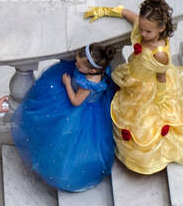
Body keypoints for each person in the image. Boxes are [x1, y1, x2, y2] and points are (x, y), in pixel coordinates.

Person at [85, 0, 183, 174]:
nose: (142, 34)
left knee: (144, 124)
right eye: (141, 29)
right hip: (135, 77)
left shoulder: (159, 54)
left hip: (149, 87)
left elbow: (162, 77)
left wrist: (160, 100)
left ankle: (147, 159)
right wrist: (104, 11)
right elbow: (128, 14)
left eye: (148, 32)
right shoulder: (144, 27)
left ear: (162, 28)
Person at [10, 42, 117, 192]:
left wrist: (67, 83)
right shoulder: (99, 70)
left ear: (92, 70)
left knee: (63, 139)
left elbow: (76, 101)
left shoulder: (88, 84)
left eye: (79, 66)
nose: (76, 66)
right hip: (91, 103)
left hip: (81, 111)